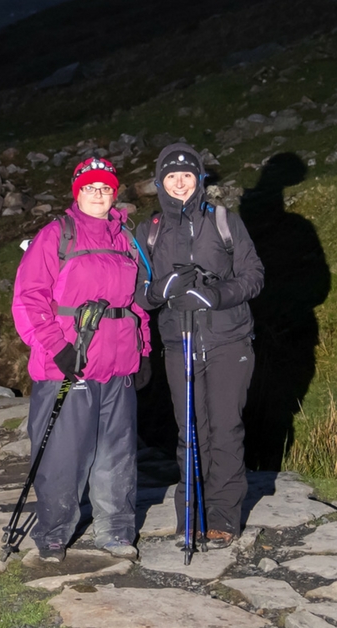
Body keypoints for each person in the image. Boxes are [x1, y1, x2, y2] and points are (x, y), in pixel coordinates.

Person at [12, 156, 151, 563]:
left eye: (105, 187)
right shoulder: (56, 235)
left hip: (119, 363)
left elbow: (136, 302)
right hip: (68, 364)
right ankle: (54, 534)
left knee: (117, 454)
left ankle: (116, 531)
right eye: (90, 187)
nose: (98, 194)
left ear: (114, 193)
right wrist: (57, 347)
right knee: (62, 452)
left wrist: (143, 352)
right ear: (77, 192)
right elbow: (28, 298)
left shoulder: (126, 237)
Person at [136, 143, 264, 547]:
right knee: (190, 430)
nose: (179, 182)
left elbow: (254, 275)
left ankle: (223, 516)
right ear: (160, 182)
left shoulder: (225, 221)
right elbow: (138, 294)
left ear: (199, 180)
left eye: (187, 175)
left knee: (226, 427)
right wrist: (164, 289)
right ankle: (190, 515)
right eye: (171, 176)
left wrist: (216, 295)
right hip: (179, 341)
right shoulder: (149, 230)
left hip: (230, 339)